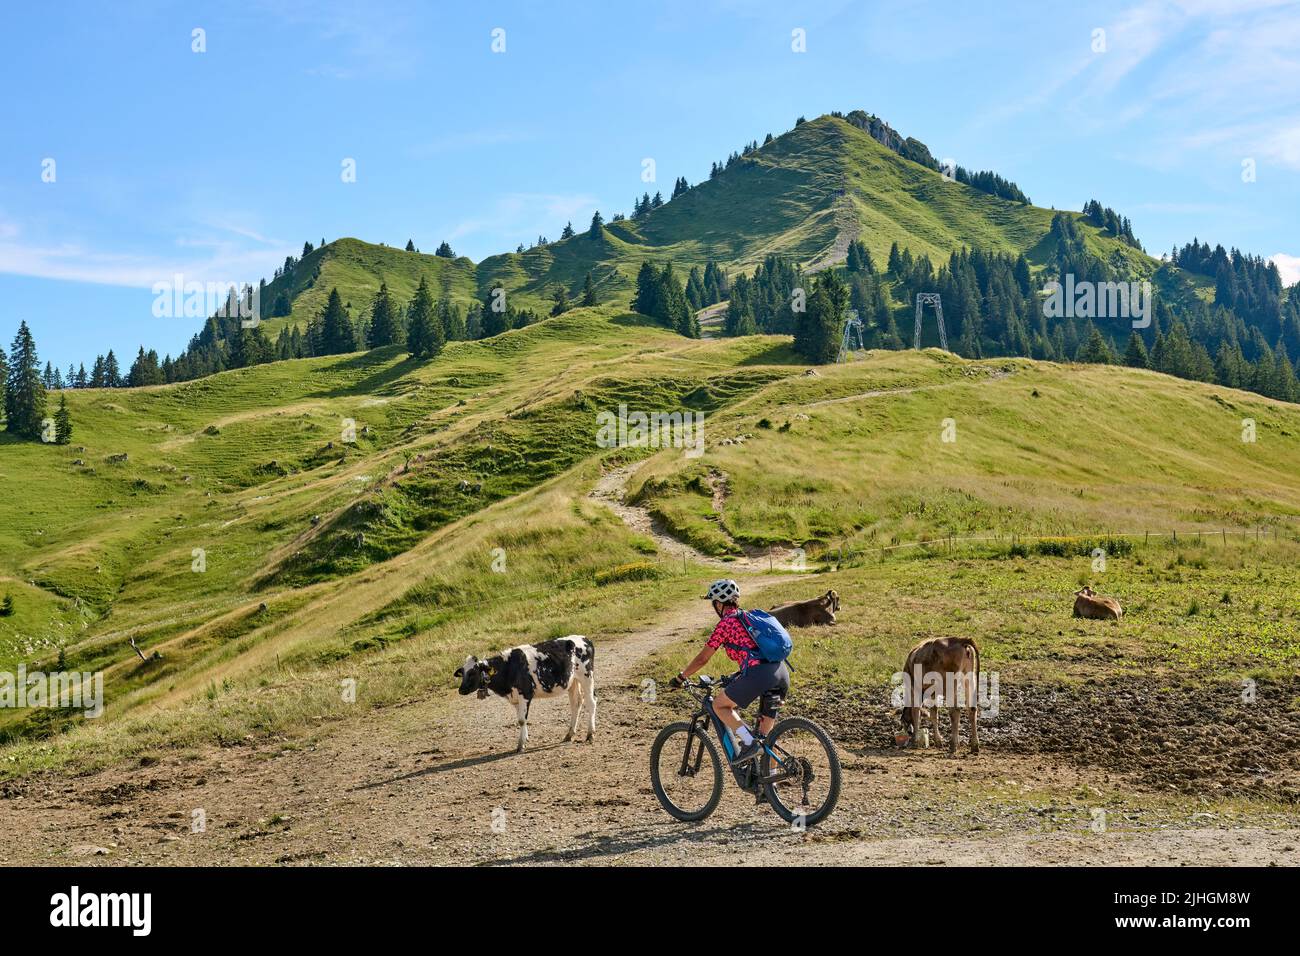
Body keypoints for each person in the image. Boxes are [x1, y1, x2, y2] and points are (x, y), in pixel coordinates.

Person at [669, 578, 790, 766]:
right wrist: (739, 675)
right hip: (780, 671)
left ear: (718, 603)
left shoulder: (727, 623)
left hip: (760, 675)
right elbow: (755, 654)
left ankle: (748, 742)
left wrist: (681, 677)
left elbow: (703, 658)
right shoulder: (749, 618)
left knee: (720, 706)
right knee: (765, 738)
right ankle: (770, 786)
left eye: (714, 604)